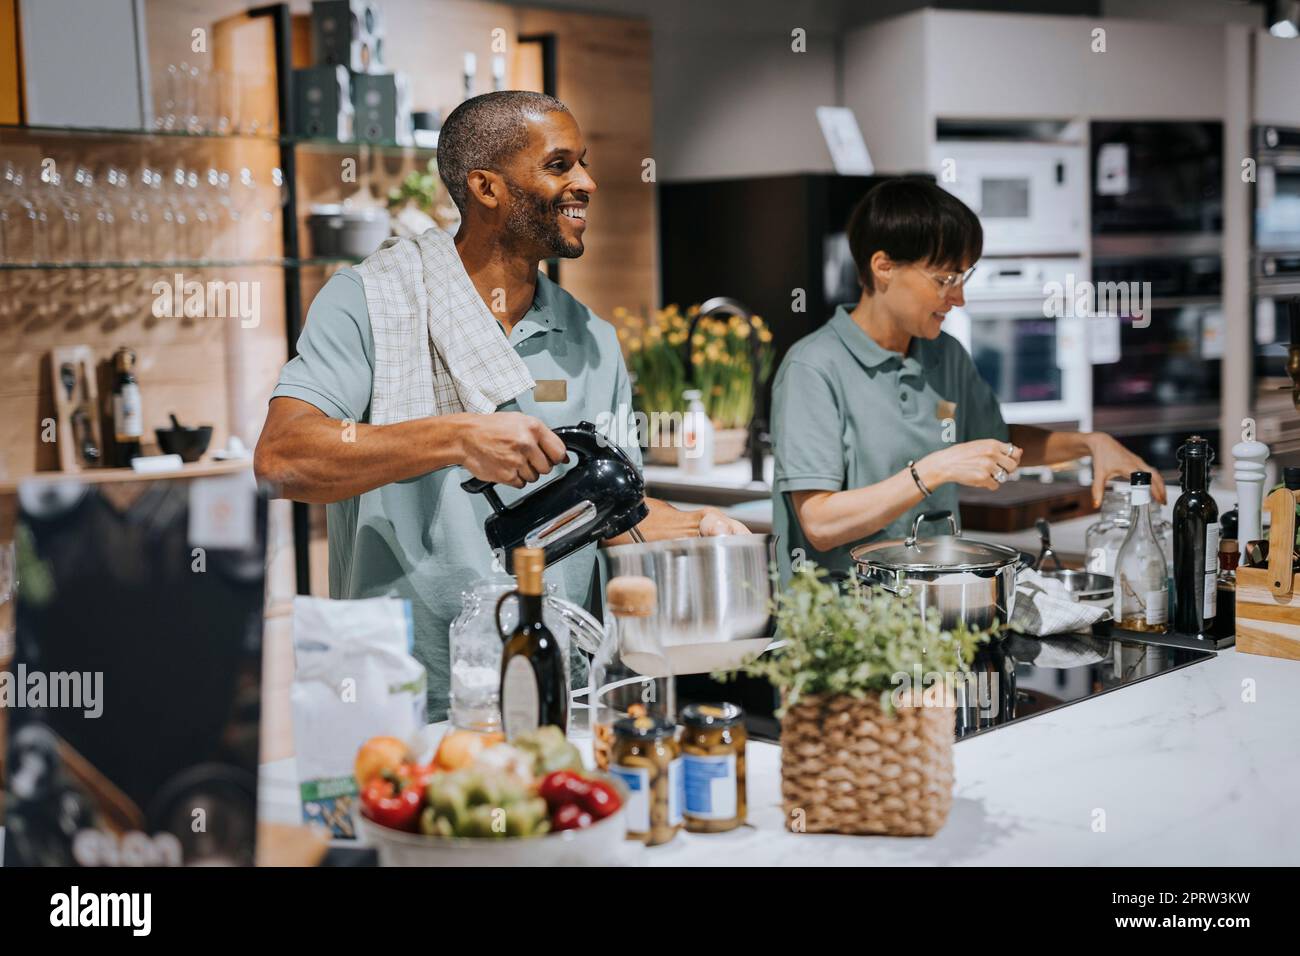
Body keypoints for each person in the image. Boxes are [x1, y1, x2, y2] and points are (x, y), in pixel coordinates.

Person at [255, 91, 747, 719]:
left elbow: (613, 515)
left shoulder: (591, 339)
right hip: (407, 694)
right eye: (559, 165)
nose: (586, 182)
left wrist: (697, 527)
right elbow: (283, 459)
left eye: (585, 162)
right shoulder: (368, 303)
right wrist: (456, 438)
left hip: (562, 692)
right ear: (487, 188)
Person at [771, 178, 1165, 582]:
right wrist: (933, 470)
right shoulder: (813, 367)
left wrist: (1090, 443)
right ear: (884, 267)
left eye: (963, 277)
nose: (958, 298)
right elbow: (819, 524)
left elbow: (997, 441)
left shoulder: (945, 354)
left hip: (935, 613)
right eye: (944, 279)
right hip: (838, 631)